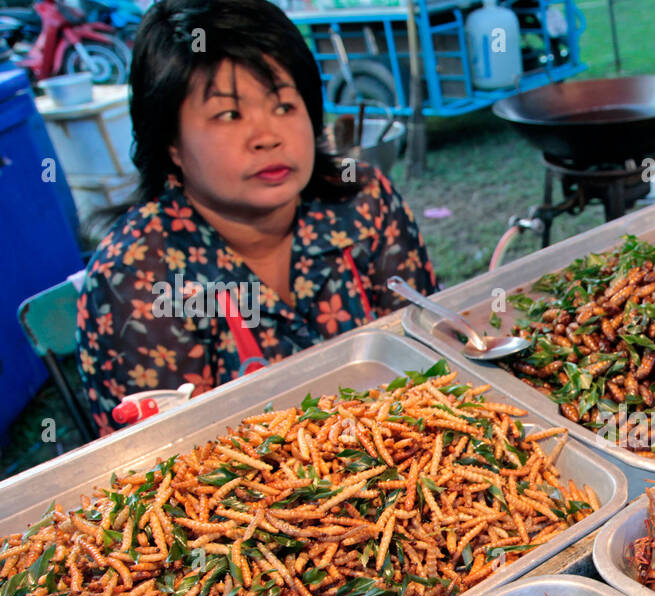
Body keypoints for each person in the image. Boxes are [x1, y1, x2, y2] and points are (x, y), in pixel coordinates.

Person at [76, 0, 437, 436]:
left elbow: (430, 354)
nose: (268, 136)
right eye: (229, 115)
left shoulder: (363, 201)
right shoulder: (136, 279)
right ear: (171, 143)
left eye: (284, 105)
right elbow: (163, 471)